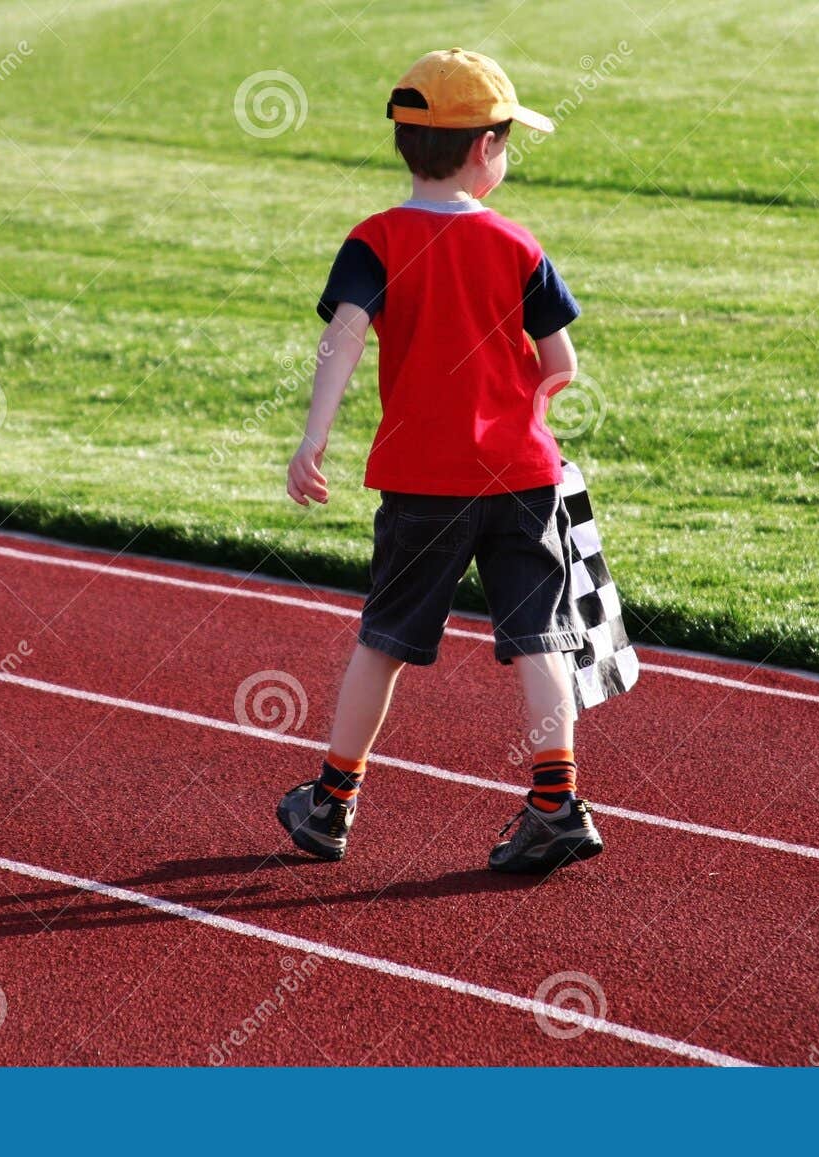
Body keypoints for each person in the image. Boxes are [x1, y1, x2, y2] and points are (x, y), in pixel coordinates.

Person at [277, 48, 602, 873]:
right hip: (522, 475)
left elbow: (343, 337)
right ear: (484, 150)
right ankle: (555, 803)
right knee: (539, 636)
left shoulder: (375, 239)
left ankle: (332, 802)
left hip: (424, 480)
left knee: (385, 638)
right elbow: (561, 361)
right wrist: (526, 413)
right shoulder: (516, 245)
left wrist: (314, 437)